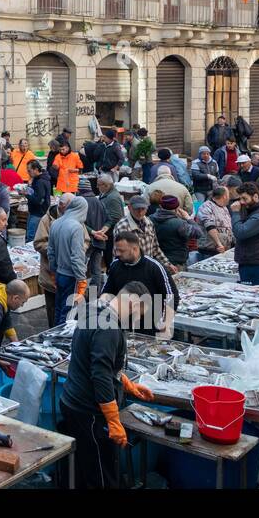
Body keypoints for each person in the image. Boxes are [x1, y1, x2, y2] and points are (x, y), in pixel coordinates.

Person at [59, 281, 155, 489]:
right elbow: (100, 375)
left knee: (84, 468)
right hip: (89, 413)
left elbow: (103, 364)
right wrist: (112, 419)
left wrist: (127, 384)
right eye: (140, 312)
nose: (138, 319)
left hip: (73, 404)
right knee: (100, 475)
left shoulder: (96, 310)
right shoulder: (108, 327)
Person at [103, 230, 177, 337]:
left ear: (135, 249)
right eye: (116, 250)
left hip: (149, 325)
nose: (117, 254)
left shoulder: (154, 268)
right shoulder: (115, 265)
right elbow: (107, 291)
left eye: (121, 251)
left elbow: (172, 296)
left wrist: (166, 324)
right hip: (121, 325)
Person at [47, 193, 89, 321]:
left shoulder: (56, 223)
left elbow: (50, 252)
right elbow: (77, 257)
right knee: (68, 313)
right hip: (72, 276)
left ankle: (54, 337)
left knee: (59, 309)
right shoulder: (76, 227)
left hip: (59, 273)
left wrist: (53, 272)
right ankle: (61, 339)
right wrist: (82, 279)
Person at [148, 195, 202, 271]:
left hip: (156, 262)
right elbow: (198, 233)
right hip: (175, 264)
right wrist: (188, 218)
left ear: (160, 206)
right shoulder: (180, 224)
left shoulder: (150, 219)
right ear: (177, 208)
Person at [194, 186, 235, 259]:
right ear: (224, 196)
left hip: (223, 250)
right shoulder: (206, 207)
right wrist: (219, 244)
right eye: (228, 195)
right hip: (209, 251)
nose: (229, 198)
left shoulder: (224, 207)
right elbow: (210, 226)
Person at [24, 159, 51, 240]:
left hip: (37, 213)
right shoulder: (38, 179)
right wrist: (29, 185)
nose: (28, 173)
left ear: (36, 169)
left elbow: (38, 200)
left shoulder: (40, 182)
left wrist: (26, 194)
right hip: (35, 212)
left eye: (29, 171)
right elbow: (33, 193)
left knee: (31, 237)